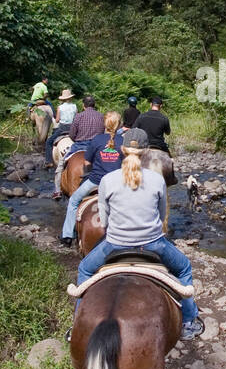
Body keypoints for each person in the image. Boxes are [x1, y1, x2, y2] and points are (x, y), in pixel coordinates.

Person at [76, 128, 203, 340]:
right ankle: (189, 321)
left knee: (85, 270)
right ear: (146, 152)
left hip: (114, 244)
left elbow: (105, 220)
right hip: (153, 244)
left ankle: (78, 323)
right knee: (184, 268)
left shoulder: (108, 179)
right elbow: (161, 216)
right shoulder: (157, 180)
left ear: (122, 150)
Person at [61, 112, 125, 246]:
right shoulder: (123, 141)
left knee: (73, 201)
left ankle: (67, 236)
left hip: (95, 181)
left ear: (105, 124)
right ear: (119, 125)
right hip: (117, 183)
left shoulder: (97, 140)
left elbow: (87, 163)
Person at [44, 88, 77, 165]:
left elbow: (57, 120)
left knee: (49, 141)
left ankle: (48, 161)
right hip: (72, 129)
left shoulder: (60, 107)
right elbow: (76, 118)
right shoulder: (74, 106)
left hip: (62, 129)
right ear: (70, 98)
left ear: (63, 99)